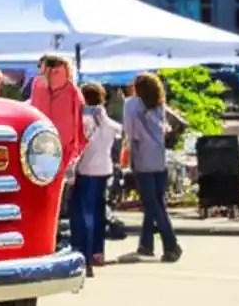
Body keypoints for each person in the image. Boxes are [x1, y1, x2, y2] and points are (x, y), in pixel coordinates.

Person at [123, 73, 181, 262]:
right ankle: (146, 244)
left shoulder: (131, 105)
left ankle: (171, 244)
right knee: (156, 202)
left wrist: (129, 159)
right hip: (159, 159)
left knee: (153, 205)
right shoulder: (159, 104)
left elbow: (130, 134)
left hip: (142, 160)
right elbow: (179, 123)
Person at [72, 82, 122, 277]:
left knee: (83, 215)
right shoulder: (106, 121)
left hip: (85, 171)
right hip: (104, 170)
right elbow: (118, 130)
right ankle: (97, 251)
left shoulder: (84, 120)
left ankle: (83, 253)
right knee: (99, 212)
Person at [30, 55, 87, 166]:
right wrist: (78, 145)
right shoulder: (72, 89)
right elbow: (78, 119)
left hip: (39, 138)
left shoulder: (37, 84)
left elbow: (32, 109)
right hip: (63, 143)